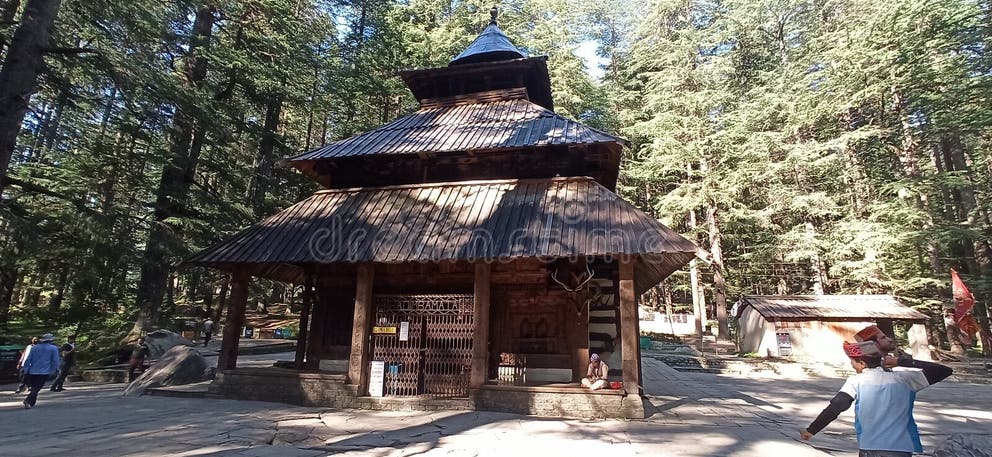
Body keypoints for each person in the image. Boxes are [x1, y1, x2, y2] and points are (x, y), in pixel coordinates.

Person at [800, 341, 953, 456]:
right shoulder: (905, 379)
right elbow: (944, 370)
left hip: (870, 447)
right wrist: (900, 361)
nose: (852, 365)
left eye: (853, 361)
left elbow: (837, 406)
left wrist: (811, 430)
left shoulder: (856, 381)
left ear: (862, 363)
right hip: (901, 448)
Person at [21, 333, 60, 409]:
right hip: (44, 371)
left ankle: (31, 403)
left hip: (33, 370)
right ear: (51, 340)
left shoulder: (34, 347)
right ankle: (28, 400)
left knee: (35, 386)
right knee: (37, 387)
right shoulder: (53, 348)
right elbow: (55, 360)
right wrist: (57, 368)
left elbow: (28, 359)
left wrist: (26, 369)